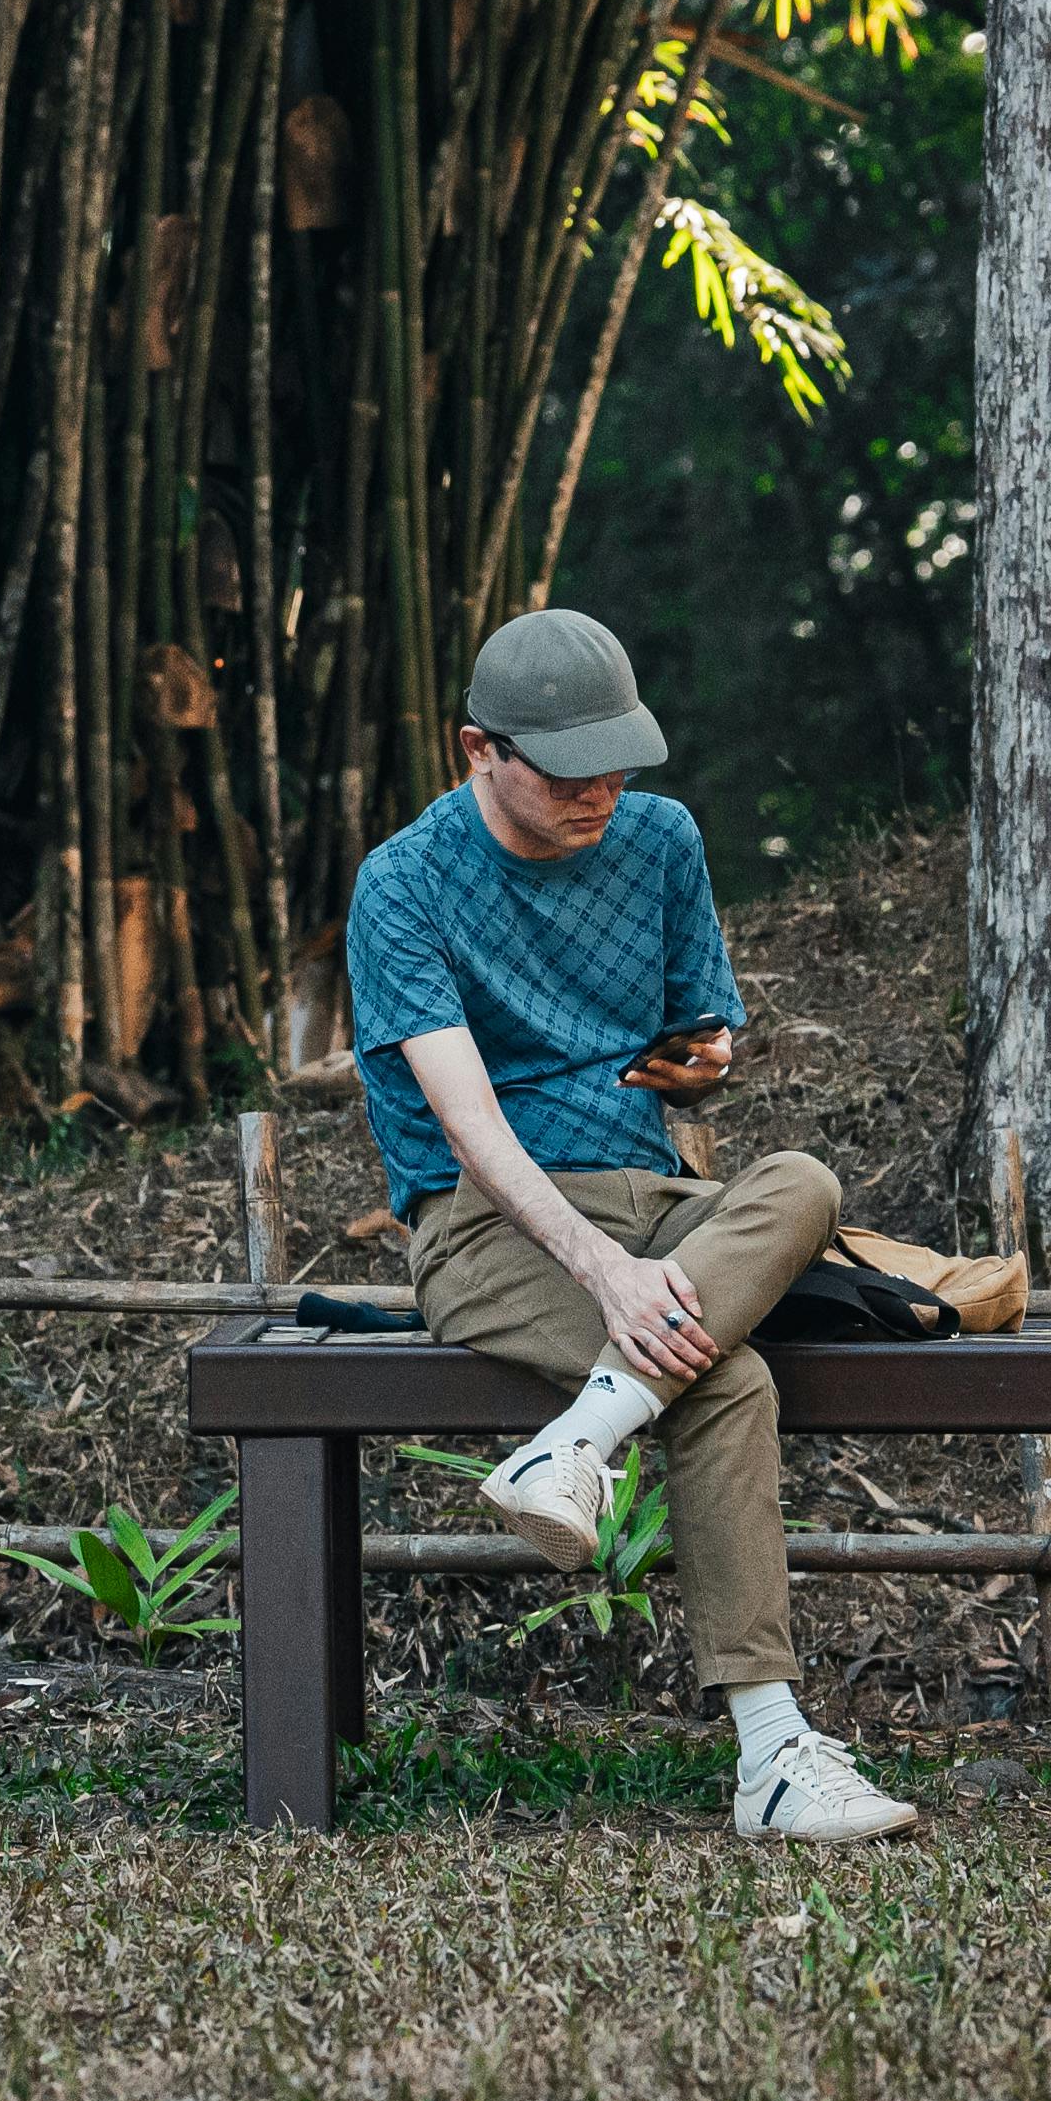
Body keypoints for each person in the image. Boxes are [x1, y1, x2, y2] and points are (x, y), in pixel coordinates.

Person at [344, 606, 918, 1843]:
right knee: (722, 1379)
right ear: (476, 752)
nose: (601, 788)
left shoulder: (660, 839)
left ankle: (577, 1444)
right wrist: (606, 1271)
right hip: (487, 1224)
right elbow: (470, 1129)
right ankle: (771, 1753)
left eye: (618, 756)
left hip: (662, 1201)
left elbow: (703, 1033)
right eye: (567, 768)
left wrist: (700, 1067)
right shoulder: (403, 883)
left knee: (806, 1179)